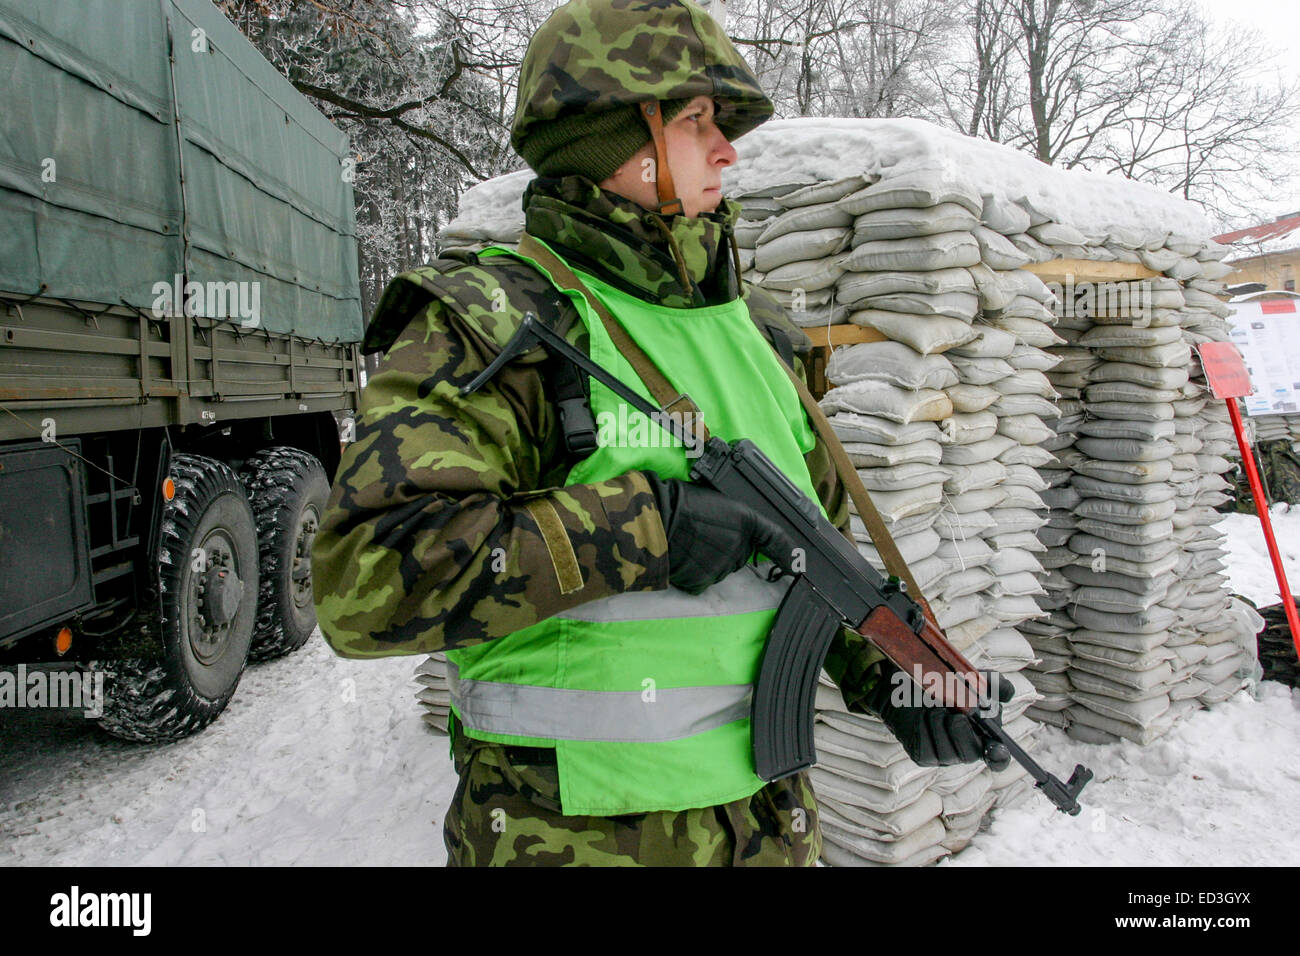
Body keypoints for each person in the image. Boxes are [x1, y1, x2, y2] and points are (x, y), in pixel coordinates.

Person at [312, 0, 1000, 867]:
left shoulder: (758, 335)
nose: (727, 150)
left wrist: (895, 675)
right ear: (611, 141)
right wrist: (647, 528)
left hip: (769, 831)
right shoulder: (494, 323)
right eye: (696, 120)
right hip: (567, 843)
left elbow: (801, 564)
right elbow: (361, 579)